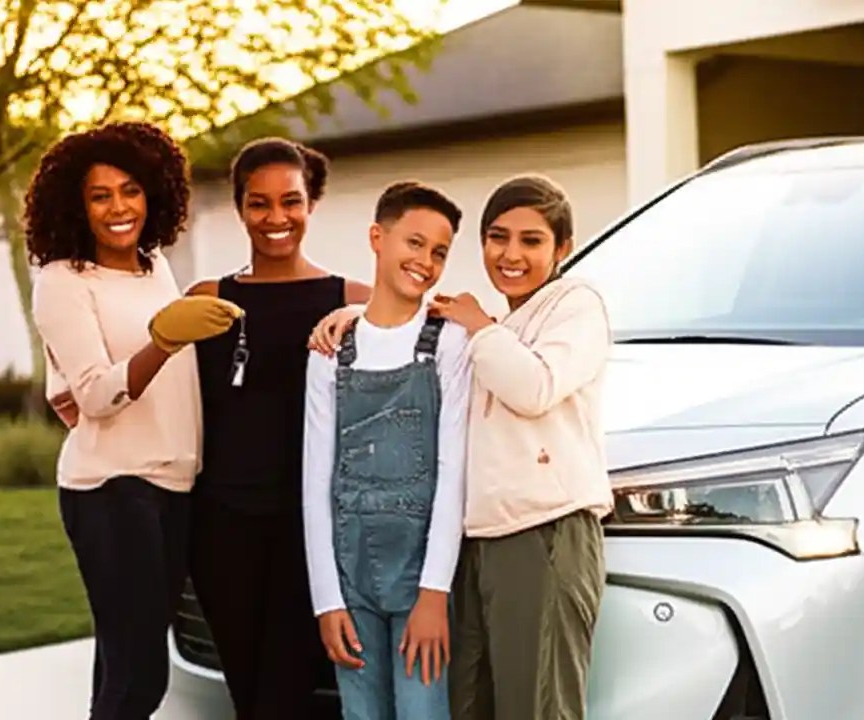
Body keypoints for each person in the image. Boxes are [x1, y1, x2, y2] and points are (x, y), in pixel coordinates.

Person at [308, 174, 614, 720]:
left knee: (535, 706)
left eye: (532, 240)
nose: (511, 254)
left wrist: (476, 324)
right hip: (482, 544)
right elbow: (403, 330)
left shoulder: (575, 304)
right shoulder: (502, 325)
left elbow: (535, 387)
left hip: (543, 532)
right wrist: (355, 320)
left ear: (563, 249)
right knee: (473, 705)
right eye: (498, 237)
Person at [26, 121, 241, 720]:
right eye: (100, 195)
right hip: (113, 489)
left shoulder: (155, 267)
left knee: (123, 671)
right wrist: (162, 342)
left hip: (172, 484)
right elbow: (94, 395)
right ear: (76, 204)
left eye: (131, 190)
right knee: (140, 679)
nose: (119, 207)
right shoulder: (62, 279)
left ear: (155, 194)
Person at [184, 136, 373, 719]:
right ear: (240, 208)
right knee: (248, 693)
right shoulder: (207, 301)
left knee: (287, 695)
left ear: (310, 204)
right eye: (258, 203)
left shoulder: (353, 301)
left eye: (290, 201)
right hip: (221, 532)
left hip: (309, 532)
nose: (275, 218)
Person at [302, 181, 470, 720]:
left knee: (424, 712)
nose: (425, 261)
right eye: (414, 243)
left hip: (423, 573)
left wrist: (434, 593)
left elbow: (453, 473)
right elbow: (315, 483)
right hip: (351, 580)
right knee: (361, 714)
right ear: (378, 238)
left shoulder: (448, 341)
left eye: (439, 252)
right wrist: (327, 600)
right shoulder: (331, 350)